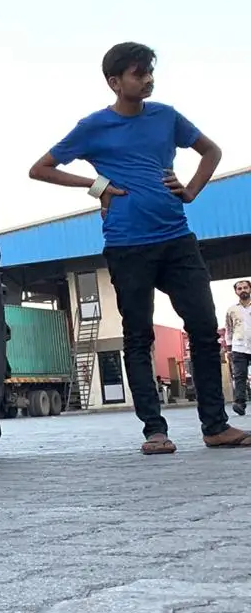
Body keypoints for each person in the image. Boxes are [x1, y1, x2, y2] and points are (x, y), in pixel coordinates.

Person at [29, 41, 250, 454]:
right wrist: (97, 187)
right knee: (137, 336)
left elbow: (211, 151)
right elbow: (40, 168)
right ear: (115, 82)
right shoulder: (93, 126)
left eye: (149, 72)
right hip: (128, 246)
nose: (147, 80)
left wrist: (191, 191)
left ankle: (216, 426)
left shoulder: (166, 117)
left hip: (177, 239)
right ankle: (154, 430)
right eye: (137, 74)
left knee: (203, 327)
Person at [224, 279, 251, 416]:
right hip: (239, 347)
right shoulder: (232, 310)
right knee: (240, 376)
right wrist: (229, 349)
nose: (243, 290)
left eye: (245, 287)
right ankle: (240, 403)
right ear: (236, 292)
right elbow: (228, 330)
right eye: (239, 289)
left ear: (250, 289)